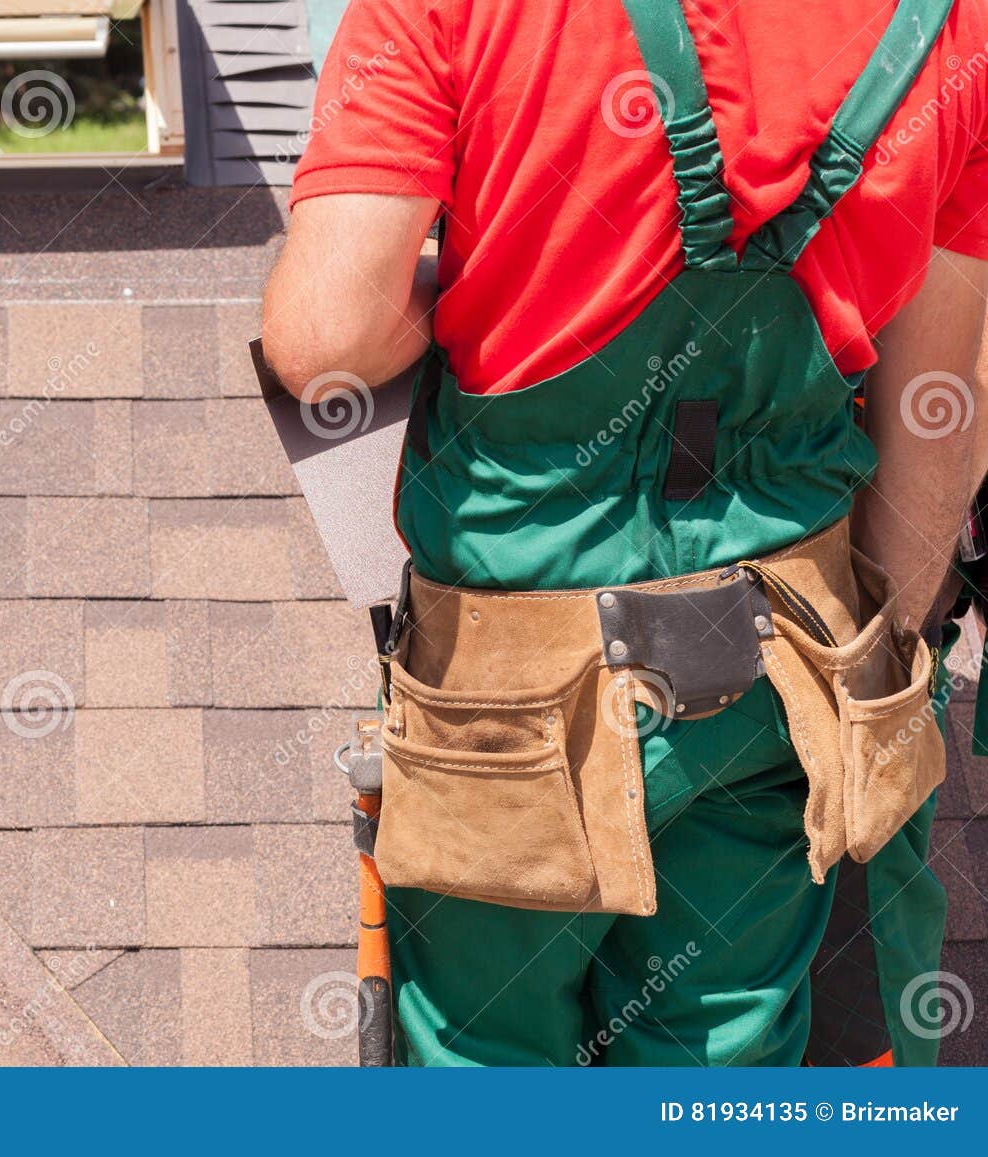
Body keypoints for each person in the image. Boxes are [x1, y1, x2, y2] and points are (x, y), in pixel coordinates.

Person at [262, 0, 988, 1067]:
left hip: (505, 703)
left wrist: (478, 281)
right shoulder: (950, 25)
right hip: (775, 678)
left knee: (485, 1065)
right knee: (717, 1073)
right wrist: (881, 670)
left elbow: (326, 342)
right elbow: (934, 410)